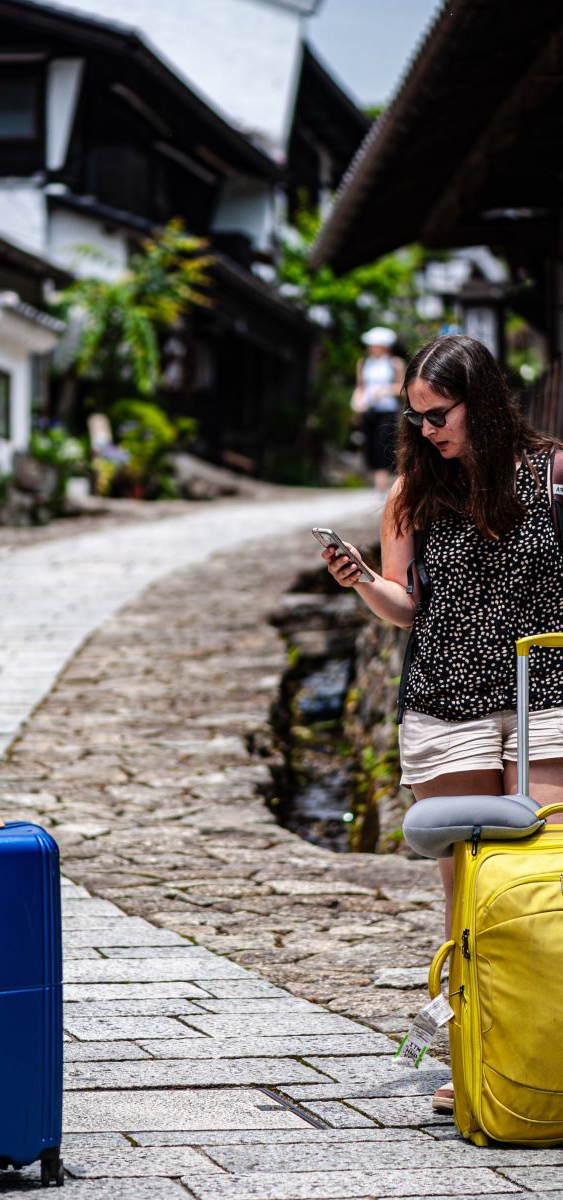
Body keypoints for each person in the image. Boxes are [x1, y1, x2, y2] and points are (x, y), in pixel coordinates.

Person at [322, 333, 563, 1113]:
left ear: (483, 402)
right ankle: (482, 1058)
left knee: (549, 879)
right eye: (416, 417)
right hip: (446, 708)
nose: (427, 431)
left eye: (440, 414)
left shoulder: (551, 477)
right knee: (471, 898)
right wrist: (364, 581)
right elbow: (405, 606)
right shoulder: (411, 492)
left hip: (545, 697)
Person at [351, 326, 405, 492]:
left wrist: (384, 391)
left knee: (382, 445)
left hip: (387, 410)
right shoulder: (363, 363)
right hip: (368, 411)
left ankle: (381, 487)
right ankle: (376, 483)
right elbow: (360, 386)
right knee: (369, 446)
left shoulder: (395, 363)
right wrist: (356, 401)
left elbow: (403, 387)